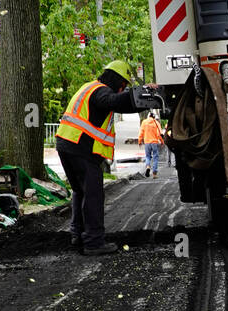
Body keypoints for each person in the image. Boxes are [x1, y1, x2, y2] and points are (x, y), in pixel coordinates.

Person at [56, 61, 155, 254]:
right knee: (93, 194)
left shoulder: (89, 88)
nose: (123, 89)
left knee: (80, 191)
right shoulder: (101, 92)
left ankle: (78, 234)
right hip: (80, 148)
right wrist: (144, 93)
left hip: (67, 144)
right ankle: (93, 242)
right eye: (124, 85)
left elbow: (118, 105)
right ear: (117, 80)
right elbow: (115, 102)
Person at [138, 109, 163, 178]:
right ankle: (154, 174)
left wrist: (139, 141)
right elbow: (159, 134)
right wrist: (162, 141)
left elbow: (141, 132)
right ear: (154, 117)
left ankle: (148, 166)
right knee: (155, 157)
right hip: (154, 142)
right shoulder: (156, 123)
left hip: (147, 143)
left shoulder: (144, 122)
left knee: (148, 156)